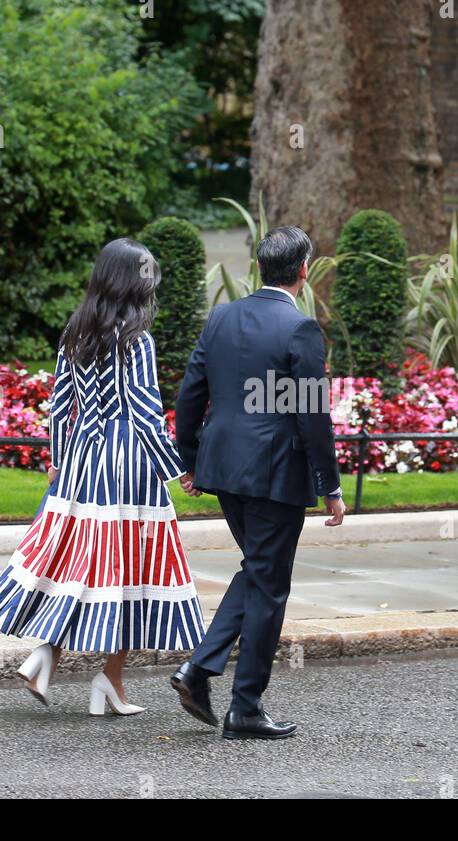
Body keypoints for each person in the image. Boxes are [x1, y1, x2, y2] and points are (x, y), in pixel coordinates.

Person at [0, 237, 206, 713]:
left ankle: (50, 654)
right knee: (128, 571)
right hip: (126, 464)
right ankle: (108, 678)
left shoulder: (75, 332)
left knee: (80, 559)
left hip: (82, 455)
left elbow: (61, 406)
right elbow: (144, 412)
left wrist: (59, 459)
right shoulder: (137, 339)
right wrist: (178, 468)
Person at [168, 225, 346, 740]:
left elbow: (189, 394)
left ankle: (202, 673)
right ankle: (241, 703)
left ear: (262, 268)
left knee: (259, 571)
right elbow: (314, 416)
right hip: (274, 475)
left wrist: (192, 459)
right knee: (270, 584)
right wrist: (330, 485)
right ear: (304, 270)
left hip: (225, 469)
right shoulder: (300, 329)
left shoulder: (222, 316)